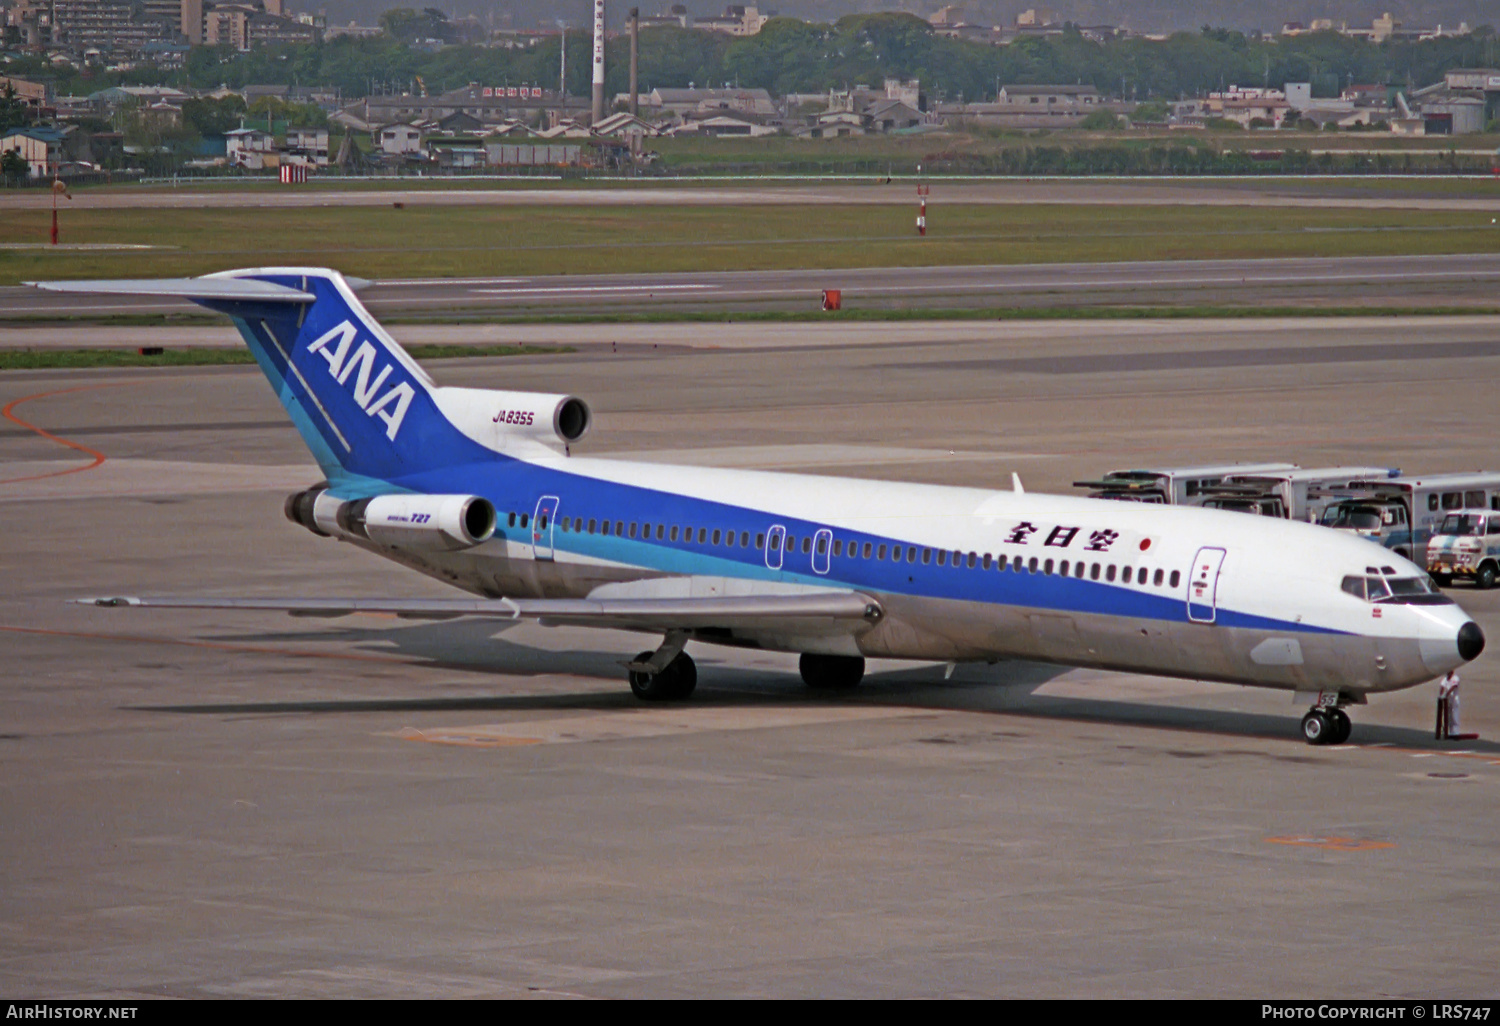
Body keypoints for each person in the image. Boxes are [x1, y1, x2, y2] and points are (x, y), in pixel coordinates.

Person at [1437, 670, 1462, 739]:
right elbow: (1442, 687)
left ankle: (1456, 733)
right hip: (1447, 700)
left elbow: (1453, 687)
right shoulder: (1445, 679)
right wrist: (1441, 695)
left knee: (1454, 715)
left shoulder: (1455, 678)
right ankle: (1450, 732)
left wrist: (1446, 694)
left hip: (1454, 699)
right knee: (1449, 716)